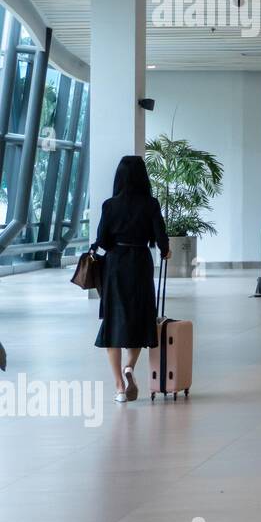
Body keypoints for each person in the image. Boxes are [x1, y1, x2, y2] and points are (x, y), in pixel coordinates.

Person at [93, 155, 170, 404]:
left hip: (115, 265)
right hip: (140, 263)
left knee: (113, 322)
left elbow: (102, 240)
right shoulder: (150, 204)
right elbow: (160, 236)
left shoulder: (109, 205)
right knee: (139, 317)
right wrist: (166, 250)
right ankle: (130, 367)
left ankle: (119, 388)